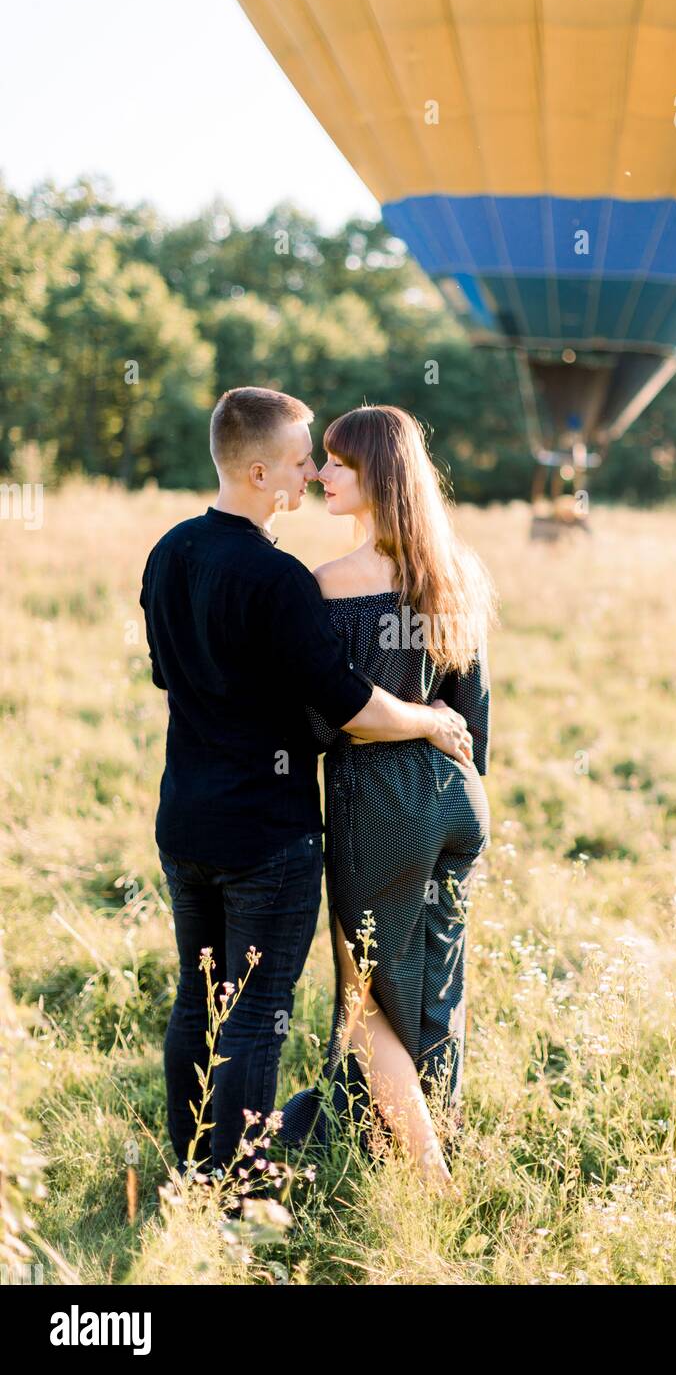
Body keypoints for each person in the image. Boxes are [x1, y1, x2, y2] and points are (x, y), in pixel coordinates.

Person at [139, 387, 473, 1181]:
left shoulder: (169, 551)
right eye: (298, 460)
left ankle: (194, 1165)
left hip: (186, 818)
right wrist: (429, 721)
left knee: (200, 997)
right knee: (256, 1013)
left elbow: (164, 672)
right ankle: (243, 1194)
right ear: (258, 470)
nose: (311, 473)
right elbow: (346, 701)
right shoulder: (282, 578)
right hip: (268, 833)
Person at [276, 405, 495, 1191]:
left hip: (381, 807)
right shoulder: (456, 574)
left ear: (375, 478)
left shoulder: (326, 587)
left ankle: (430, 1181)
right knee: (437, 978)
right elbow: (475, 710)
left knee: (365, 992)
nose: (322, 475)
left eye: (337, 463)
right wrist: (457, 778)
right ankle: (433, 1126)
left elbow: (322, 722)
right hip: (458, 804)